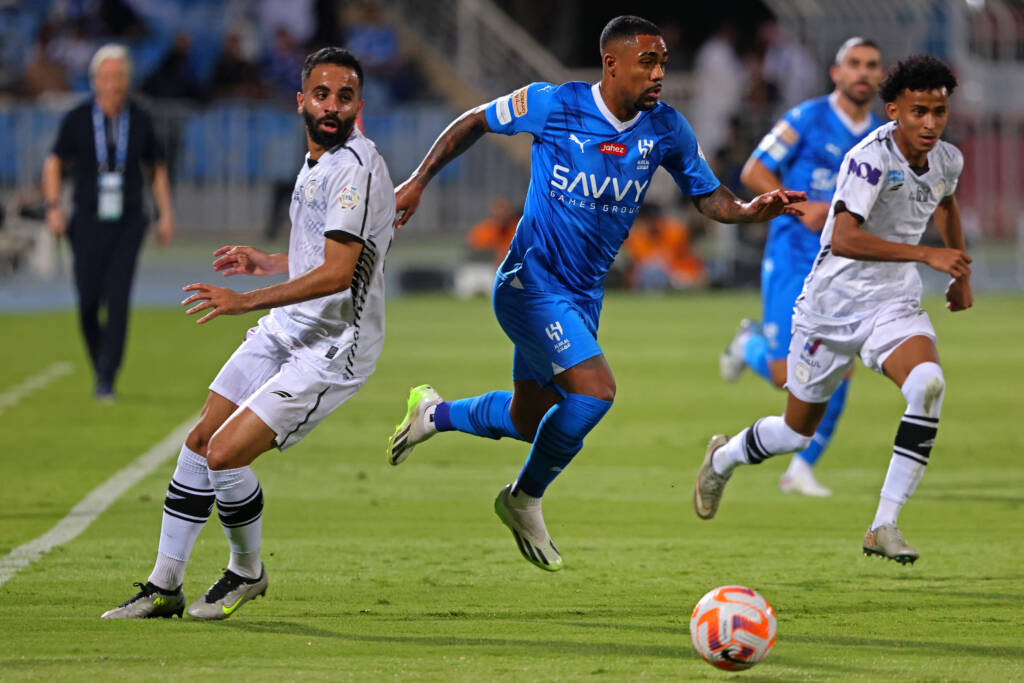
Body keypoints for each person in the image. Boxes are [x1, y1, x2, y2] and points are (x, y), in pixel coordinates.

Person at [385, 15, 805, 572]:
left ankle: (433, 415)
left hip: (583, 297)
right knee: (595, 391)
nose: (659, 73)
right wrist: (417, 179)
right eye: (647, 62)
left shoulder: (666, 128)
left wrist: (749, 211)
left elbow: (708, 196)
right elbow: (474, 121)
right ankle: (523, 498)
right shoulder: (553, 104)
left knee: (529, 419)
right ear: (612, 64)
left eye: (663, 62)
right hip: (529, 282)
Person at [101, 47, 396, 619]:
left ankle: (246, 571)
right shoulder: (317, 161)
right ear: (300, 102)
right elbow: (324, 252)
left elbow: (339, 274)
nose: (332, 107)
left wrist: (245, 301)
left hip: (334, 347)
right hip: (288, 326)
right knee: (198, 444)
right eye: (321, 94)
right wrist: (269, 260)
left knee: (225, 455)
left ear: (358, 104)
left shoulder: (354, 170)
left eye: (345, 97)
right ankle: (164, 586)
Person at [694, 55, 971, 566]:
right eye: (918, 112)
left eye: (939, 111)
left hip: (892, 303)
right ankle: (724, 457)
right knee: (795, 431)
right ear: (894, 111)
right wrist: (928, 254)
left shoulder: (948, 159)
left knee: (928, 384)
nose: (930, 123)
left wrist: (960, 274)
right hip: (830, 308)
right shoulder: (869, 159)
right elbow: (843, 237)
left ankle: (883, 524)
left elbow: (946, 202)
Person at [718, 38, 885, 497]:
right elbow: (754, 172)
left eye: (871, 65)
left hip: (844, 267)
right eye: (853, 64)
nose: (862, 73)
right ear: (836, 73)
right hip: (793, 254)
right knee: (784, 377)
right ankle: (747, 343)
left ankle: (801, 468)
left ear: (880, 76)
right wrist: (803, 208)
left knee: (841, 365)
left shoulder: (883, 134)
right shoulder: (806, 118)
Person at [42, 43, 174, 401]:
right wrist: (53, 206)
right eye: (107, 76)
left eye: (119, 76)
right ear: (95, 80)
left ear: (127, 80)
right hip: (85, 220)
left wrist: (165, 213)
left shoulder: (140, 118)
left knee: (118, 298)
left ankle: (107, 376)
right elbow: (54, 162)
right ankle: (100, 361)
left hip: (128, 221)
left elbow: (156, 168)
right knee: (87, 301)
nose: (114, 83)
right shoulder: (78, 118)